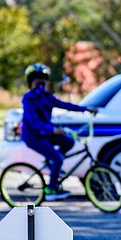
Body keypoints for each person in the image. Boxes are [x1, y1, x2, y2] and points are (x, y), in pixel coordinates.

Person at [21, 63, 97, 201]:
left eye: (43, 80)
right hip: (33, 136)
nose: (41, 83)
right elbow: (34, 122)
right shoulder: (29, 99)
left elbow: (65, 105)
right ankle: (51, 189)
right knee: (57, 158)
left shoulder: (46, 96)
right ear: (31, 82)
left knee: (69, 142)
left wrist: (85, 109)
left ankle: (54, 164)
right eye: (37, 80)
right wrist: (54, 129)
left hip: (46, 133)